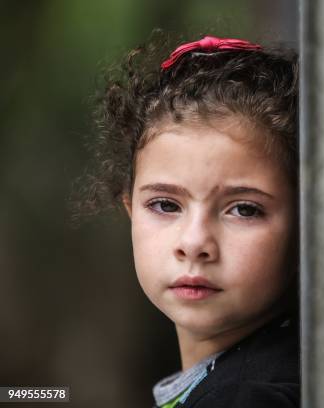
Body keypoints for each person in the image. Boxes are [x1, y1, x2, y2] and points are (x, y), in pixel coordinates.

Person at [78, 32, 300, 407]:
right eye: (165, 205)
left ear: (306, 227)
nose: (194, 243)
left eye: (244, 209)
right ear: (130, 211)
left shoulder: (246, 398)